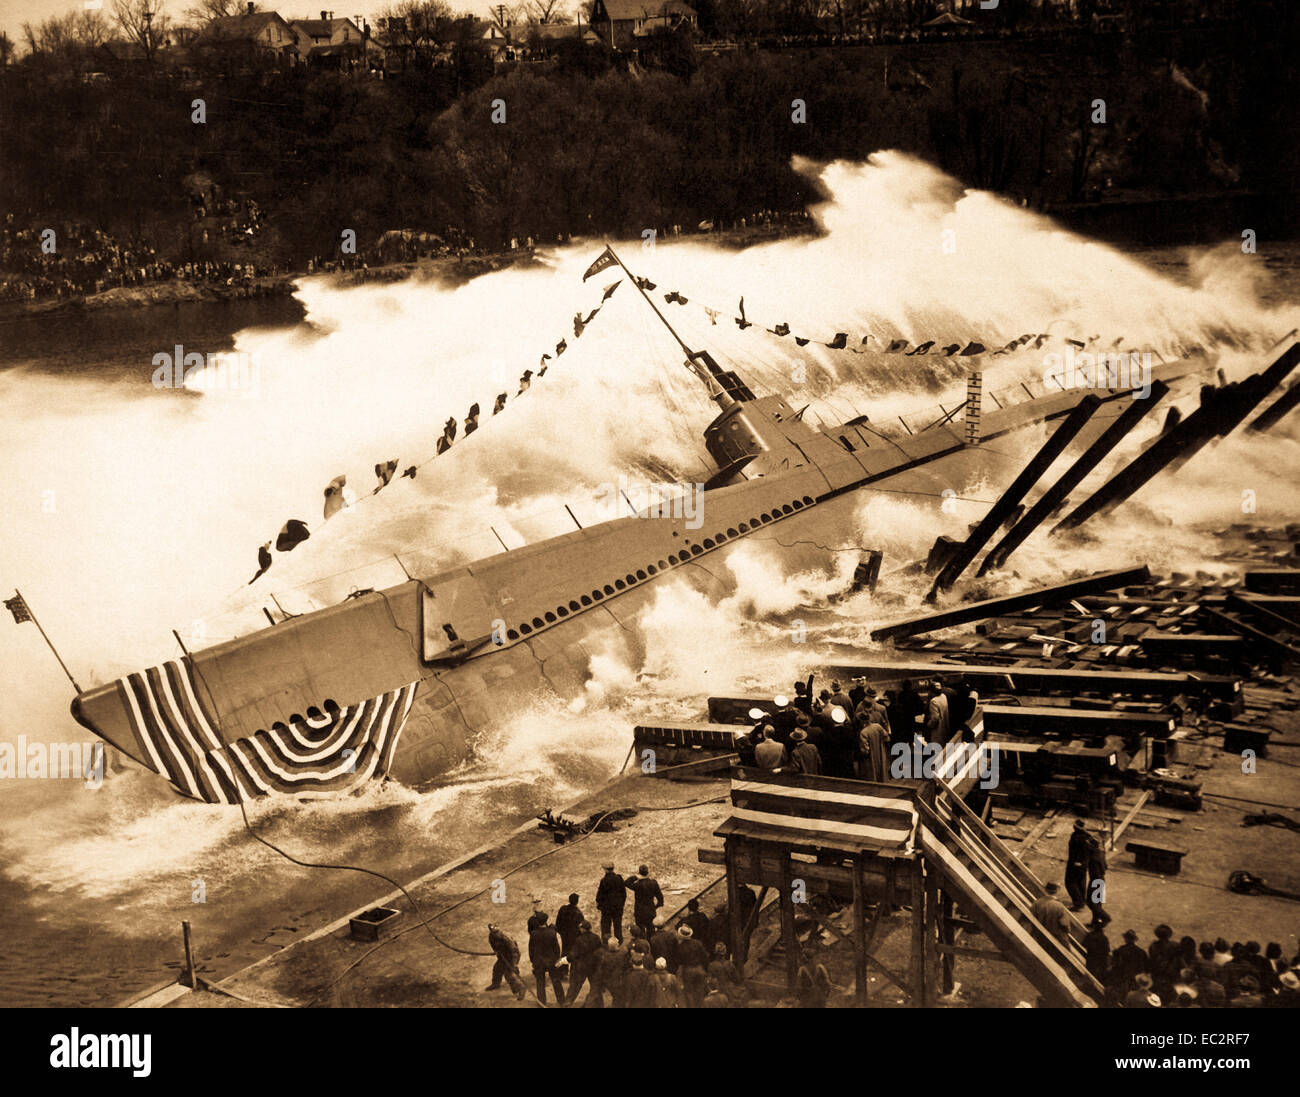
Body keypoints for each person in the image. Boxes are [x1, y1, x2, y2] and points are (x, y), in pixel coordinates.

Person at [528, 912, 565, 1006]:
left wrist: (533, 961)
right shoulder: (552, 933)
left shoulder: (533, 934)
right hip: (551, 961)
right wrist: (557, 959)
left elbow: (531, 950)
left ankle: (541, 1003)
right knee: (556, 981)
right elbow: (557, 949)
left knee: (540, 983)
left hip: (539, 962)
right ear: (546, 921)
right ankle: (561, 1001)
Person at [565, 920, 603, 1006]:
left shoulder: (579, 939)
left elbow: (573, 954)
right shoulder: (596, 937)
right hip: (594, 966)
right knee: (595, 987)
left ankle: (568, 1003)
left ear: (583, 929)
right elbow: (600, 951)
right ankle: (600, 1005)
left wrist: (567, 958)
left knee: (575, 986)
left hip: (581, 967)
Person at [485, 923, 527, 999]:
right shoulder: (491, 936)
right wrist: (496, 951)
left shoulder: (506, 937)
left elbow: (514, 951)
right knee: (497, 969)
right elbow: (493, 946)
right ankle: (496, 984)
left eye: (496, 931)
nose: (494, 933)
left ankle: (520, 988)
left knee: (509, 974)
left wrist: (514, 964)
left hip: (512, 956)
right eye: (492, 931)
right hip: (503, 956)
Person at [676, 924, 710, 1007]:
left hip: (688, 970)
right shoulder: (698, 943)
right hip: (699, 969)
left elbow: (679, 961)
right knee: (700, 991)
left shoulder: (680, 947)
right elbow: (705, 957)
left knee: (689, 993)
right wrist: (705, 969)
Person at [626, 865, 664, 938]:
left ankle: (642, 942)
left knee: (640, 930)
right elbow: (660, 897)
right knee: (651, 929)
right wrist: (656, 906)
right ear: (647, 872)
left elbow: (626, 883)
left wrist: (635, 877)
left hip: (639, 910)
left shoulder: (637, 885)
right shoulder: (653, 883)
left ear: (639, 873)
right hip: (650, 909)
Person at [592, 937, 627, 1008]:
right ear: (617, 944)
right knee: (619, 999)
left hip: (609, 982)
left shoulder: (605, 956)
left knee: (616, 998)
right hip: (620, 980)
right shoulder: (623, 954)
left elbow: (601, 970)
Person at [1111, 929, 1149, 993]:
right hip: (1135, 978)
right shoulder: (1141, 952)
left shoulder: (1121, 949)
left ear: (1126, 939)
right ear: (1134, 940)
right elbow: (1145, 966)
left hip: (1122, 977)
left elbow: (1115, 963)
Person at [596, 862, 626, 943]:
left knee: (606, 927)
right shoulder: (619, 878)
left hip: (607, 909)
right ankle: (619, 943)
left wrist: (599, 905)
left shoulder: (604, 881)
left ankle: (607, 943)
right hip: (618, 908)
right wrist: (621, 904)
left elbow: (600, 896)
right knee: (617, 927)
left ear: (605, 870)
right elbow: (624, 893)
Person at [1065, 821, 1091, 911]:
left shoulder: (1077, 838)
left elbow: (1080, 851)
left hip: (1075, 864)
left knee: (1070, 883)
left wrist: (1078, 862)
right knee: (1081, 882)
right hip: (1083, 864)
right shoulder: (1087, 836)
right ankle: (1082, 901)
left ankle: (1078, 904)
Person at [1086, 836, 1110, 927]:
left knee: (1091, 902)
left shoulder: (1093, 858)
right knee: (1098, 902)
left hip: (1096, 881)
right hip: (1101, 880)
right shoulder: (1100, 853)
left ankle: (1106, 917)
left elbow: (1095, 873)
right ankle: (1095, 922)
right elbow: (1106, 866)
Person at [858, 715, 888, 782]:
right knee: (881, 768)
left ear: (862, 721)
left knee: (872, 771)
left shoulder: (863, 732)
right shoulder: (877, 726)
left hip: (871, 755)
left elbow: (865, 749)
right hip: (880, 751)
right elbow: (886, 736)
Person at [925, 678, 950, 744]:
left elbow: (935, 718)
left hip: (937, 731)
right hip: (945, 728)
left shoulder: (933, 701)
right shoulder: (943, 696)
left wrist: (928, 725)